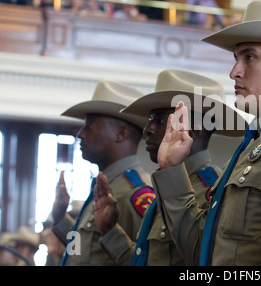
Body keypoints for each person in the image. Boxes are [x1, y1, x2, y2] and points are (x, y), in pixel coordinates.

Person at [153, 0, 261, 265]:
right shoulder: (255, 145)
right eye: (236, 59)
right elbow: (200, 253)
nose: (234, 72)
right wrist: (171, 167)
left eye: (250, 57)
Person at [93, 69, 247, 266]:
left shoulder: (212, 190)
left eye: (158, 120)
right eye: (150, 120)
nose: (147, 129)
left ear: (195, 129)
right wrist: (110, 231)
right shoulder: (170, 184)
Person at [51, 80, 154, 266]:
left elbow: (145, 261)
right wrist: (60, 218)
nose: (80, 134)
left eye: (89, 126)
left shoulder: (136, 192)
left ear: (120, 134)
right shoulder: (107, 186)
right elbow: (86, 253)